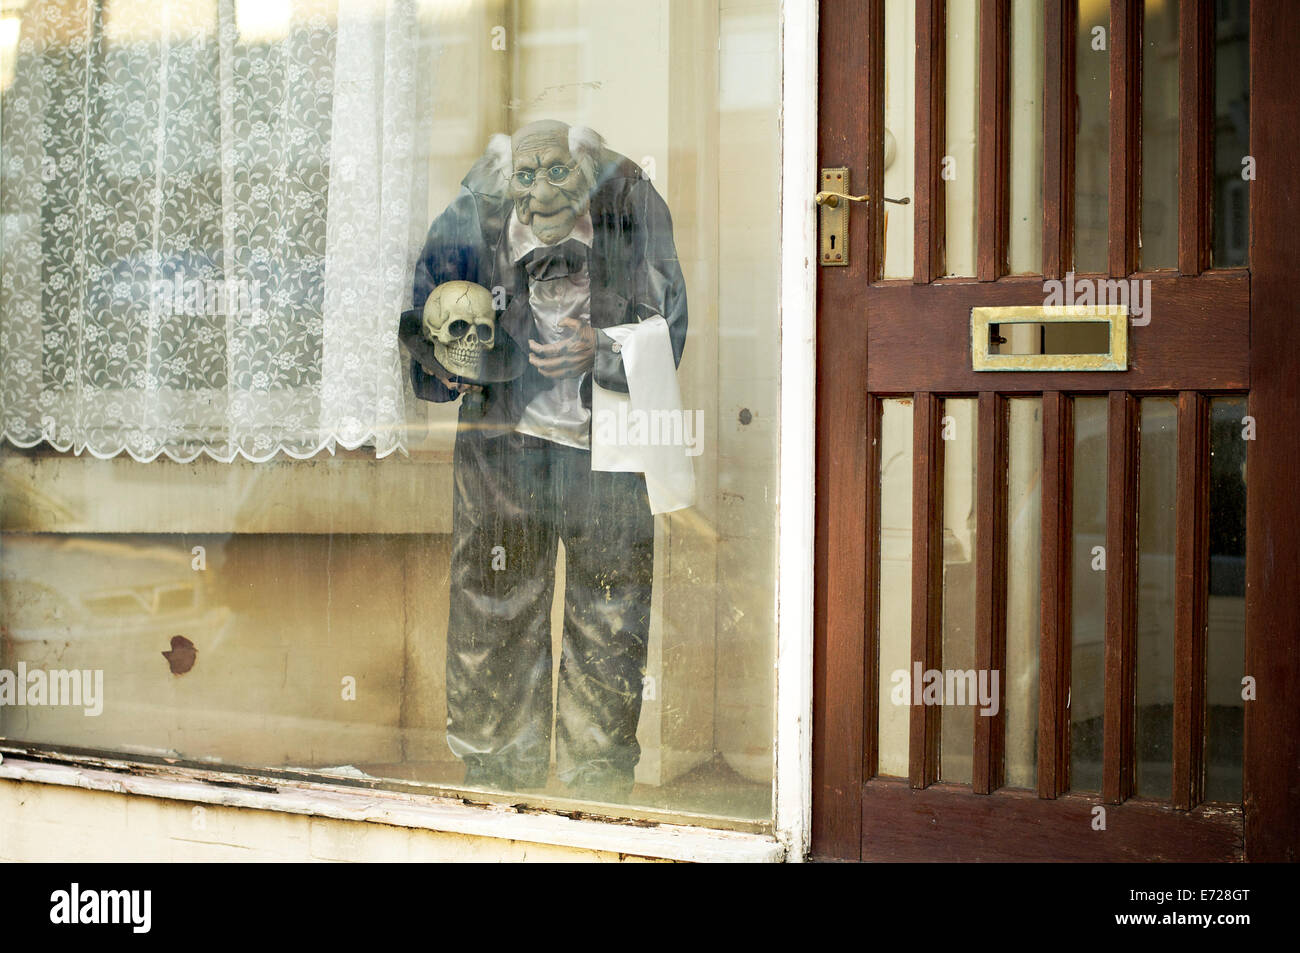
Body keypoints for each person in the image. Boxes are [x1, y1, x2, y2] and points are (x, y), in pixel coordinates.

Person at [409, 119, 688, 801]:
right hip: (505, 449)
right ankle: (496, 774)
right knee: (491, 604)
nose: (540, 193)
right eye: (525, 177)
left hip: (609, 446)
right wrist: (446, 364)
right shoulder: (477, 211)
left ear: (586, 172)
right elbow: (426, 313)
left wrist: (602, 347)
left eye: (557, 173)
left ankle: (599, 778)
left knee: (611, 607)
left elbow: (671, 317)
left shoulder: (631, 203)